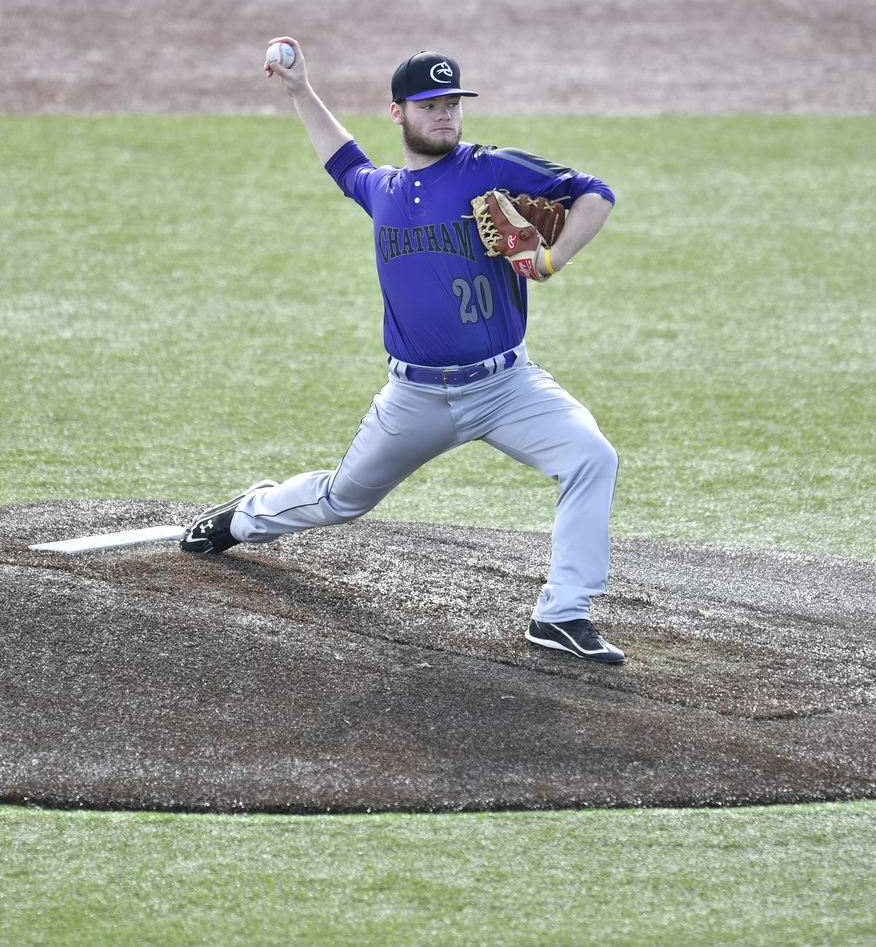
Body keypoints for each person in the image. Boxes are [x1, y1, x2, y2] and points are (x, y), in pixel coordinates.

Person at [178, 39, 624, 664]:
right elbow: (341, 160)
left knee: (592, 458)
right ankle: (244, 517)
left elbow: (595, 191)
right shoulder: (380, 189)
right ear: (399, 114)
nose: (445, 113)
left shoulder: (488, 168)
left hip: (508, 387)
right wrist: (302, 90)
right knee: (342, 500)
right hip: (415, 396)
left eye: (453, 102)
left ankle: (563, 613)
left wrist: (552, 256)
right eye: (429, 104)